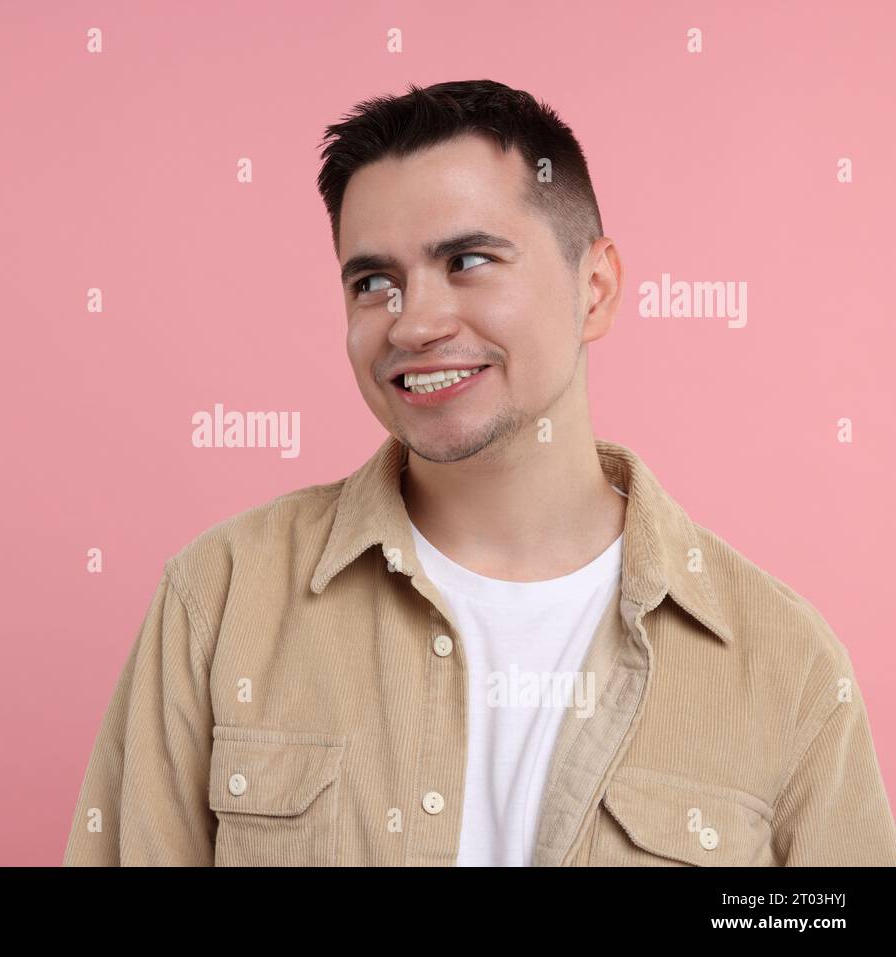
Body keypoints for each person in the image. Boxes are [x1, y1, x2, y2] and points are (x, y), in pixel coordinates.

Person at [63, 79, 896, 866]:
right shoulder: (219, 599)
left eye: (467, 261)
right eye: (374, 281)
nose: (413, 322)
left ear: (595, 287)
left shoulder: (786, 664)